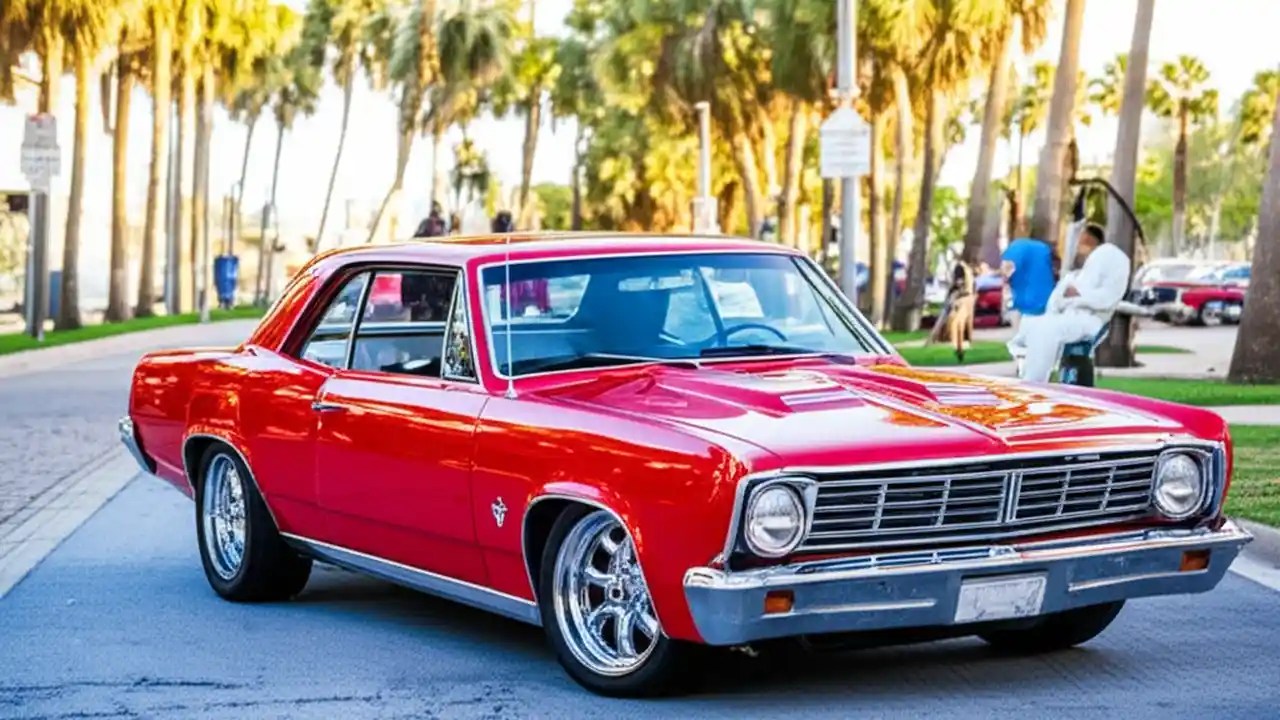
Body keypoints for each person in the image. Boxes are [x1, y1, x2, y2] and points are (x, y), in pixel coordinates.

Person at [1020, 224, 1131, 383]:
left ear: (1090, 240)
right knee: (1033, 325)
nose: (1078, 246)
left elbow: (1106, 298)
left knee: (1047, 329)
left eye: (1082, 240)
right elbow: (1055, 302)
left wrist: (1079, 296)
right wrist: (1065, 299)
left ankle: (1035, 382)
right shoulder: (1074, 276)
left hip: (1089, 321)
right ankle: (1031, 379)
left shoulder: (1110, 258)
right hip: (1066, 316)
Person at [1001, 237, 1061, 361]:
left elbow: (1006, 271)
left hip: (1021, 304)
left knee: (1020, 335)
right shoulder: (1045, 252)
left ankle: (1022, 363)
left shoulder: (1016, 250)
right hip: (1045, 303)